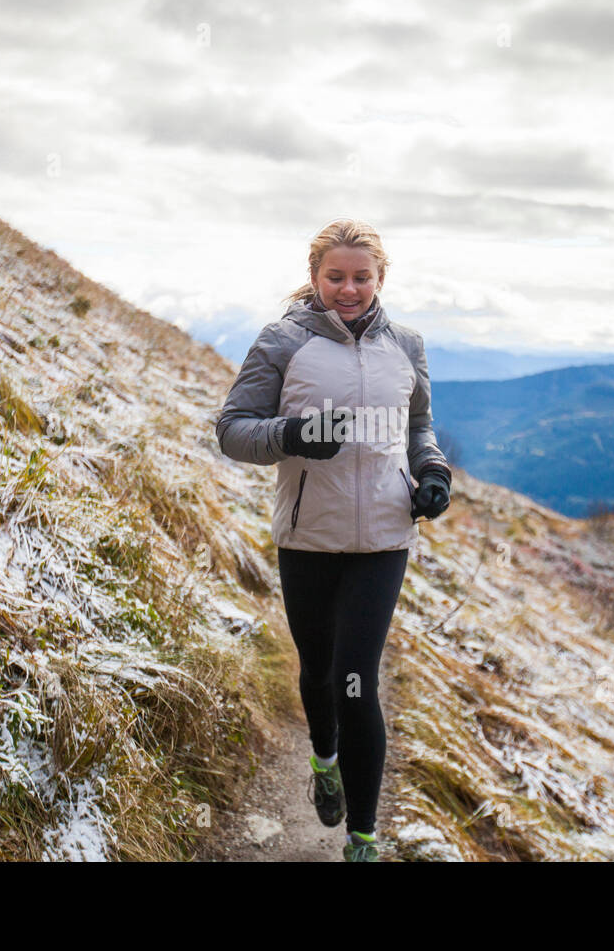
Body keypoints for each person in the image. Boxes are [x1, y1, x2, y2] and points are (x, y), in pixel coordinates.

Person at [214, 218, 452, 861]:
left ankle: (363, 840)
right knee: (319, 672)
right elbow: (234, 430)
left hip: (384, 538)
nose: (349, 289)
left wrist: (433, 473)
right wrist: (291, 437)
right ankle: (324, 759)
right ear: (315, 276)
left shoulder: (407, 344)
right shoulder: (282, 341)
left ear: (381, 278)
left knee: (357, 680)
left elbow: (420, 427)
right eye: (336, 277)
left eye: (361, 277)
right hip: (307, 538)